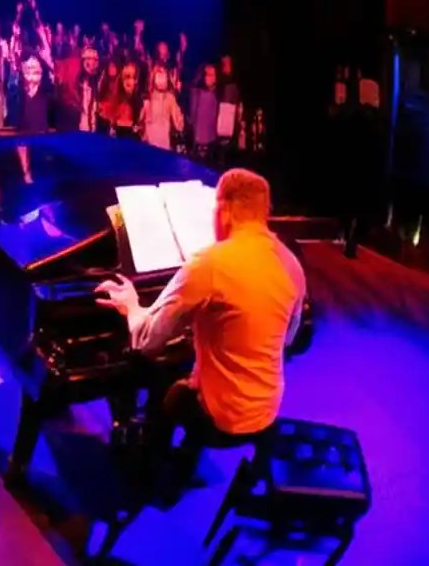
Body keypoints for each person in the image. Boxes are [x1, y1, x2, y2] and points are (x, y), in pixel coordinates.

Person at [94, 168, 306, 491]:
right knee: (189, 365)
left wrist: (132, 306)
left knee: (168, 389)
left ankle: (151, 471)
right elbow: (286, 340)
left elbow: (146, 341)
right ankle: (184, 460)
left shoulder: (209, 264)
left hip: (222, 418)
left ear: (224, 210)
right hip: (267, 407)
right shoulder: (291, 265)